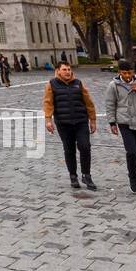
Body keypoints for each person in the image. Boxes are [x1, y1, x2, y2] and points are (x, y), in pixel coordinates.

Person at [43, 61, 98, 190]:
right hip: (63, 123)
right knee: (69, 150)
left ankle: (86, 175)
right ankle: (73, 176)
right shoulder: (52, 84)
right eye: (64, 69)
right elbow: (48, 103)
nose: (67, 72)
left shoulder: (78, 83)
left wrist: (93, 120)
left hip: (81, 122)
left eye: (69, 69)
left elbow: (89, 103)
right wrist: (48, 120)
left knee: (85, 147)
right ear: (58, 71)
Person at [106, 60, 136, 197]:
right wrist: (112, 123)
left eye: (130, 72)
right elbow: (110, 105)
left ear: (133, 72)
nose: (128, 75)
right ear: (119, 72)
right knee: (132, 152)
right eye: (124, 73)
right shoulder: (113, 85)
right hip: (125, 123)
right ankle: (133, 179)